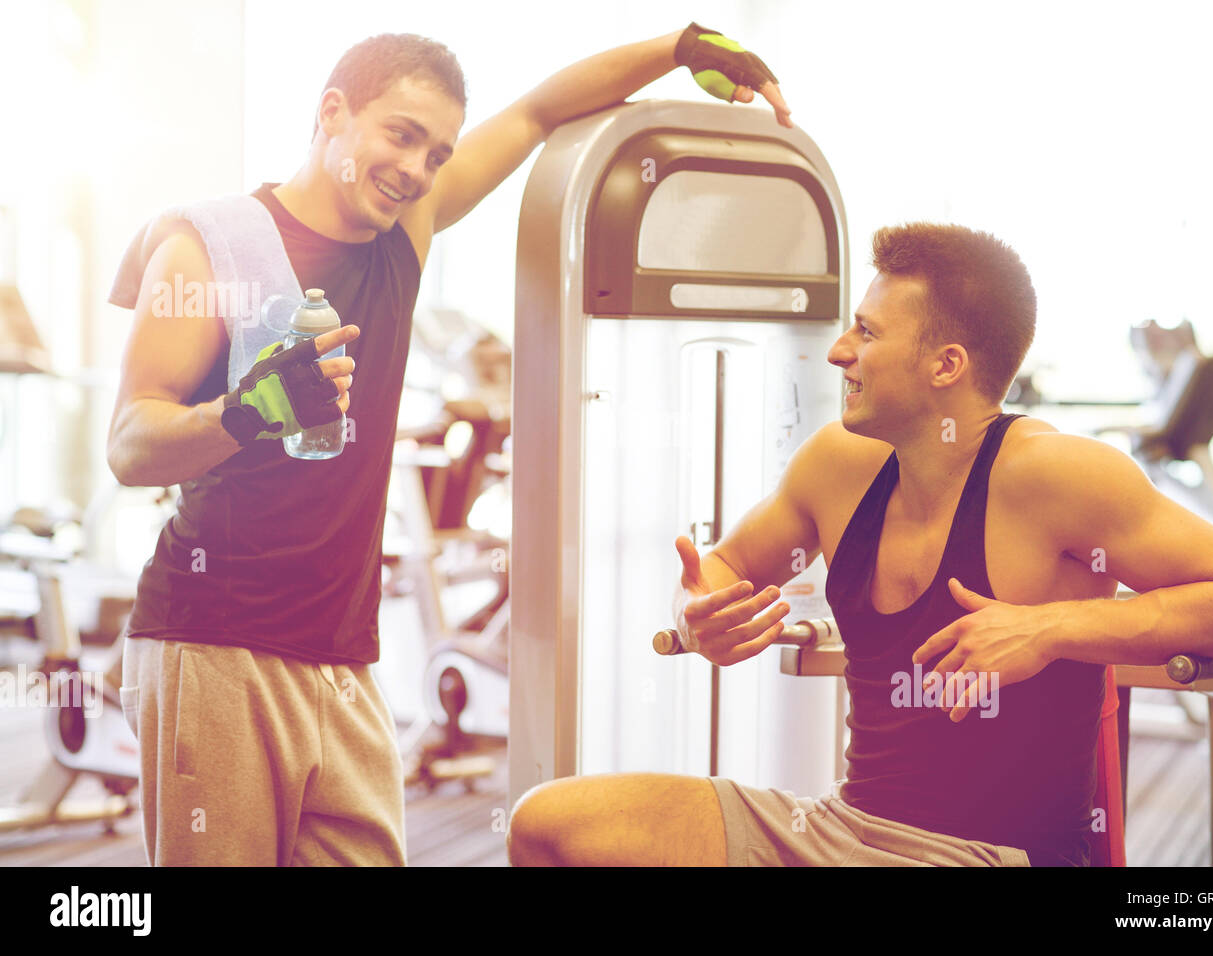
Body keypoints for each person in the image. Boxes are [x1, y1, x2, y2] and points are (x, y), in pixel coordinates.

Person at [106, 23, 790, 866]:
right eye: (401, 135)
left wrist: (683, 47)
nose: (418, 169)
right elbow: (130, 444)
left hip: (344, 659)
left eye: (438, 153)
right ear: (333, 113)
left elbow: (541, 110)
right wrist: (244, 413)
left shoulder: (406, 230)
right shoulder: (210, 249)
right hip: (215, 644)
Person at [506, 222, 1213, 867]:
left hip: (988, 856)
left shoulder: (1057, 476)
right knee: (550, 825)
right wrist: (699, 612)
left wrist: (1051, 629)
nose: (839, 352)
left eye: (867, 334)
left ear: (946, 364)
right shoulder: (837, 466)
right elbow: (724, 569)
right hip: (840, 835)